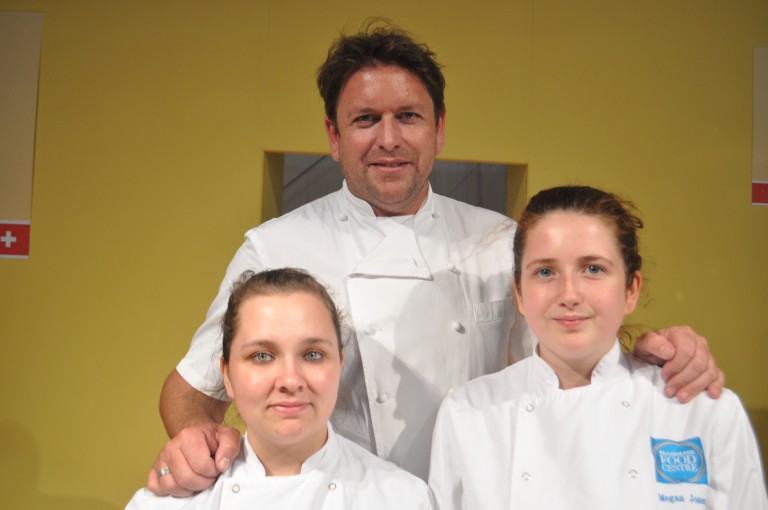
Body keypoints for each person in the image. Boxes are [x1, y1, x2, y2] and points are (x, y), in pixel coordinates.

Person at [149, 22, 724, 495]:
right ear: (333, 135)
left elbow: (571, 361)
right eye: (365, 120)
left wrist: (654, 354)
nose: (390, 140)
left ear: (440, 129)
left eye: (409, 117)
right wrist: (199, 444)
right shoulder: (275, 247)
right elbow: (189, 390)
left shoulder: (499, 242)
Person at [428, 185, 767, 509]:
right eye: (545, 272)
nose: (569, 295)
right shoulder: (468, 414)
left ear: (631, 289)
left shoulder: (703, 411)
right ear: (519, 293)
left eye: (593, 269)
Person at [128, 268, 433, 509]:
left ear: (339, 366)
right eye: (262, 356)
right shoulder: (163, 504)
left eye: (312, 354)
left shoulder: (403, 498)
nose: (290, 380)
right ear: (228, 377)